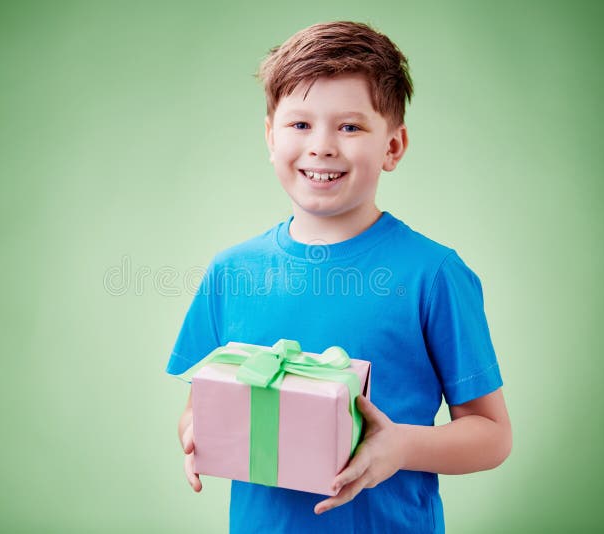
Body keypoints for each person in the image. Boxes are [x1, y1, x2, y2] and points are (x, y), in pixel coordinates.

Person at [165, 20, 512, 533]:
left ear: (393, 147)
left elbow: (492, 435)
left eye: (349, 127)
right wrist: (197, 433)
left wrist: (400, 446)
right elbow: (197, 408)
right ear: (269, 136)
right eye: (300, 125)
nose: (322, 146)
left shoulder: (433, 274)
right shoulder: (230, 273)